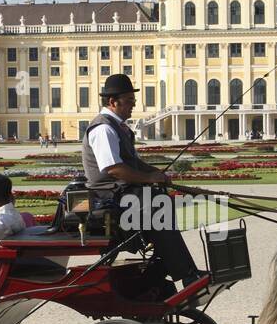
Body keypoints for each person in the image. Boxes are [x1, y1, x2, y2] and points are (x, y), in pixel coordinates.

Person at [82, 72, 203, 290]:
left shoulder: (118, 127)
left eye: (133, 102)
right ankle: (185, 273)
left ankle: (165, 263)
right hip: (107, 196)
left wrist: (158, 174)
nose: (132, 106)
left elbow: (134, 163)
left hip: (121, 193)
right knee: (157, 203)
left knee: (161, 199)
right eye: (128, 102)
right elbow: (114, 169)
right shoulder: (103, 128)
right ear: (112, 102)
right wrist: (149, 178)